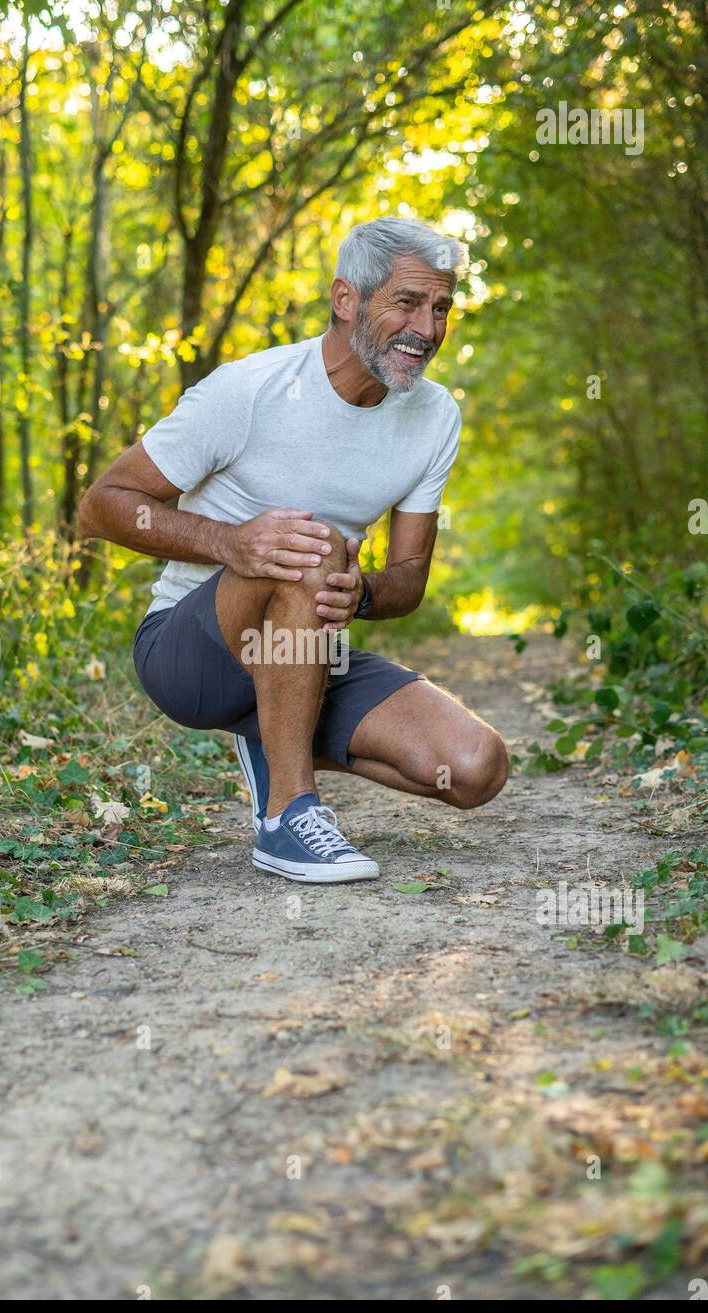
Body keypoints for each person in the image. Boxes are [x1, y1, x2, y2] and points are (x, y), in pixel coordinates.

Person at [79, 216, 508, 884]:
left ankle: (271, 731)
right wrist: (231, 543)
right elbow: (102, 503)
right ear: (346, 300)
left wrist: (360, 593)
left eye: (441, 309)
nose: (426, 330)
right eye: (406, 302)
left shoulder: (435, 416)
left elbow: (408, 579)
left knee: (478, 767)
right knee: (314, 546)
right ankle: (287, 815)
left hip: (304, 651)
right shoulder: (249, 391)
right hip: (188, 653)